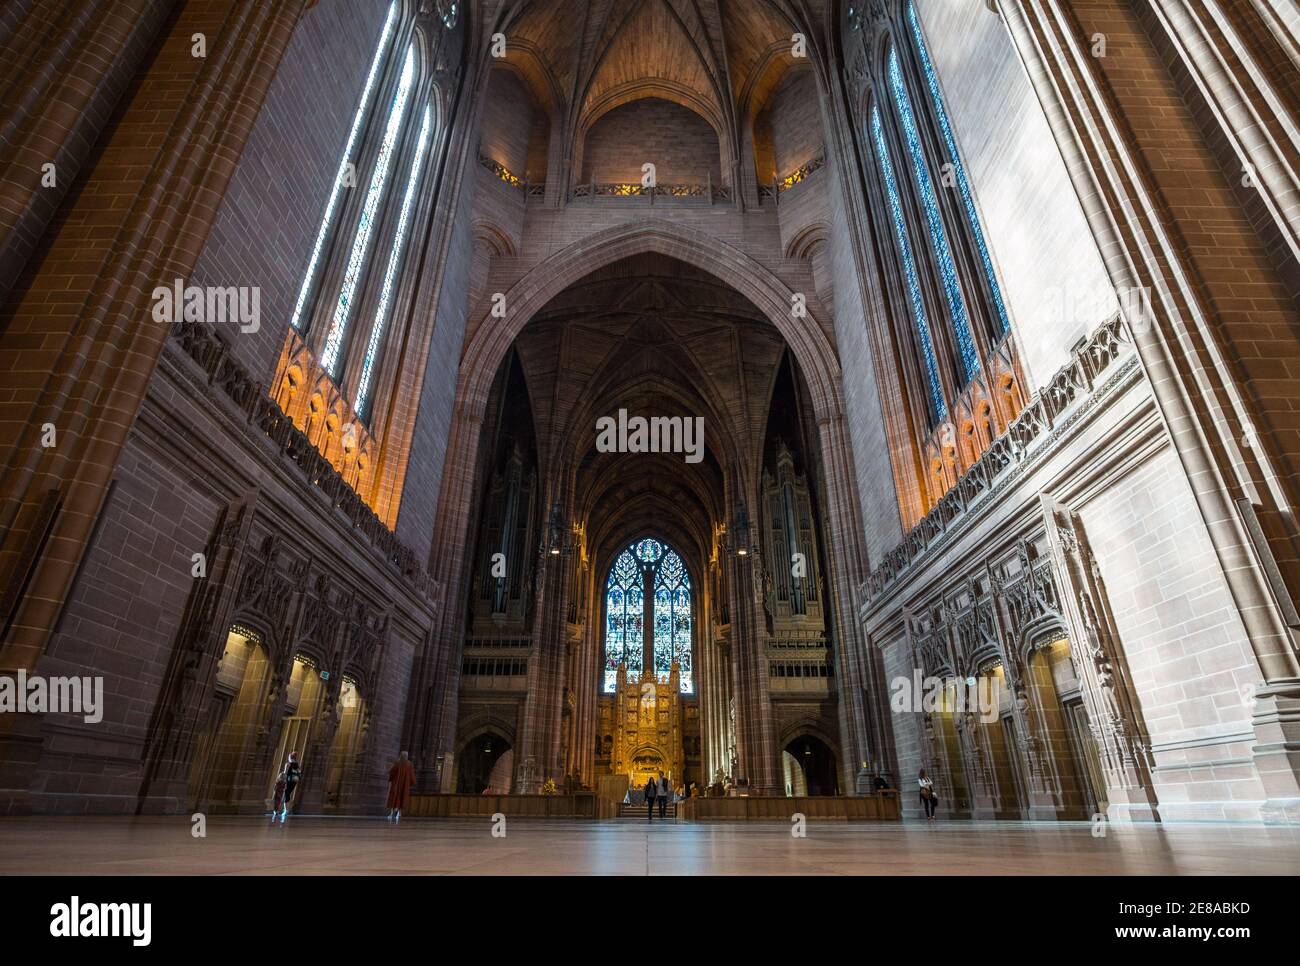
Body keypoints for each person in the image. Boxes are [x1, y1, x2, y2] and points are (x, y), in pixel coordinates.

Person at [386, 750, 416, 822]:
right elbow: (411, 775)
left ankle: (391, 812)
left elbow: (392, 772)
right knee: (401, 797)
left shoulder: (397, 763)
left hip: (396, 784)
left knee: (394, 797)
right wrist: (412, 782)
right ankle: (398, 812)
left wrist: (391, 778)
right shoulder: (409, 764)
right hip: (404, 785)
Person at [279, 751, 301, 823]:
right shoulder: (297, 764)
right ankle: (286, 809)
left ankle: (286, 810)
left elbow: (285, 773)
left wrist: (283, 780)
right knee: (288, 793)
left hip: (289, 779)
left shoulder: (288, 764)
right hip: (295, 780)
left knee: (286, 793)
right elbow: (299, 772)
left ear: (290, 757)